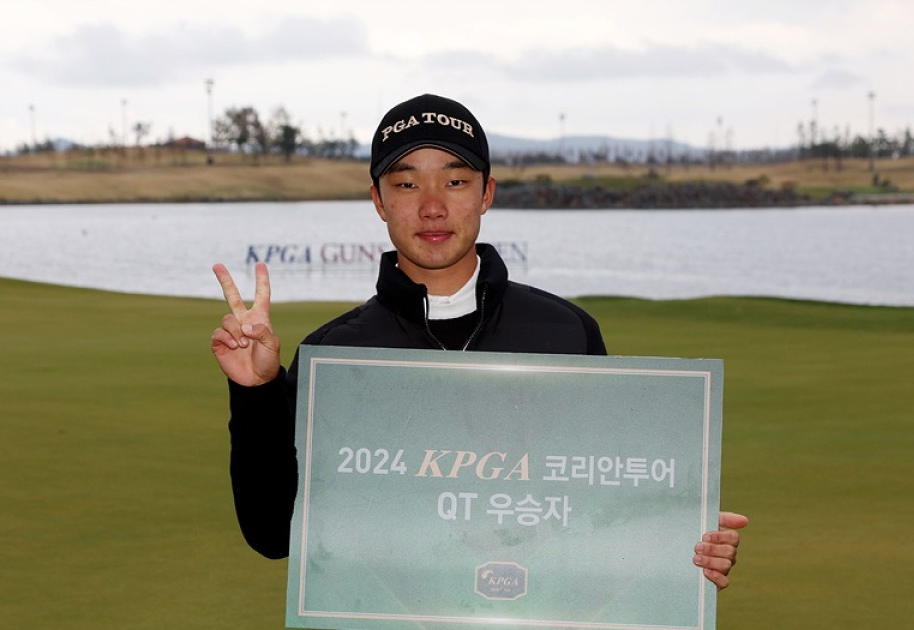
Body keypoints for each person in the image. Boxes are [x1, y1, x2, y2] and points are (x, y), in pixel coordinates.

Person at [212, 93, 748, 589]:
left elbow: (597, 502)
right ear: (378, 200)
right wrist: (257, 391)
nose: (431, 207)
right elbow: (273, 534)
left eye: (455, 181)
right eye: (405, 184)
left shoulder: (566, 331)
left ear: (487, 192)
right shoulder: (333, 354)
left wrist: (681, 535)